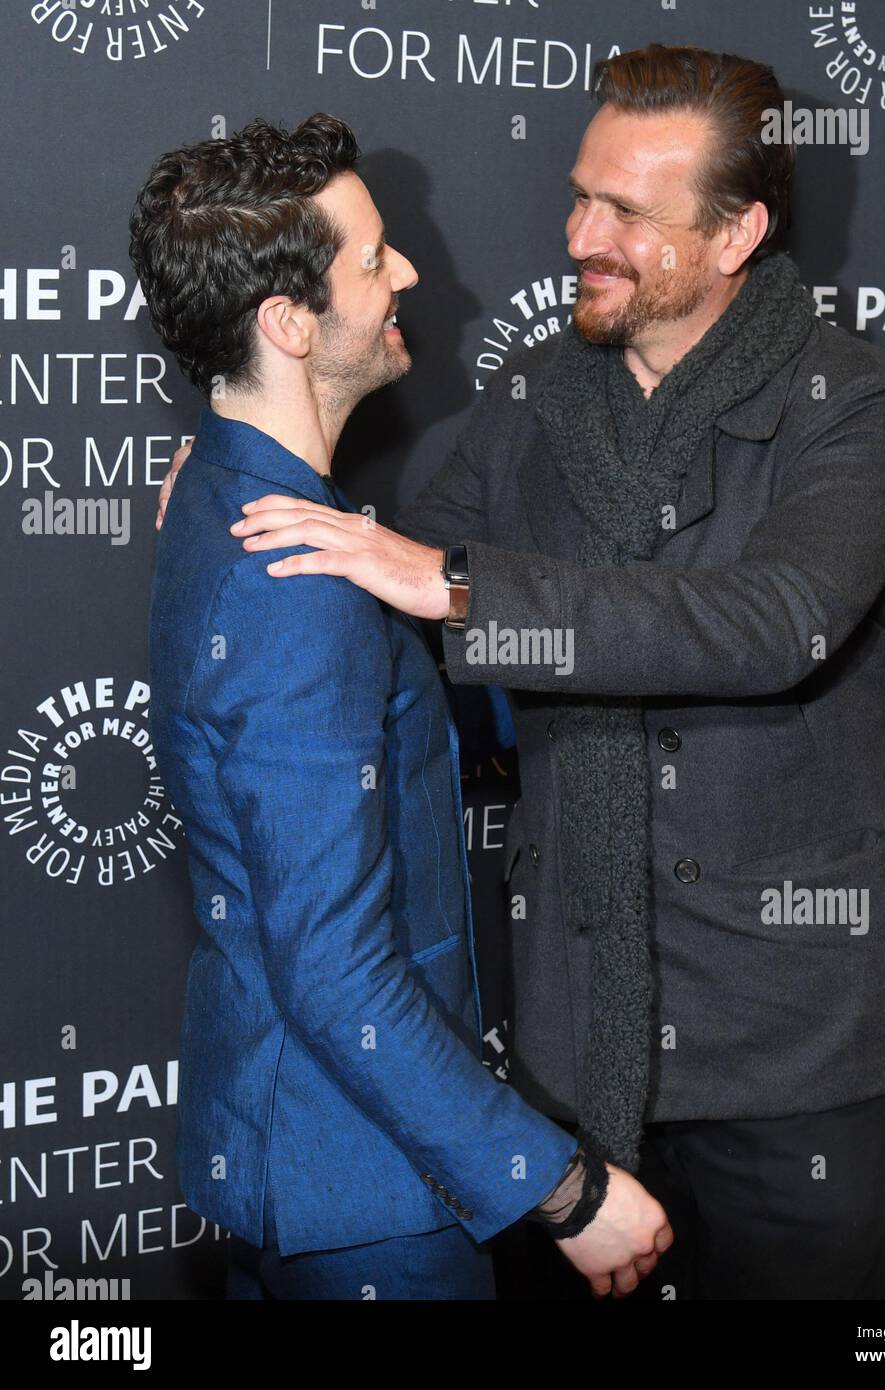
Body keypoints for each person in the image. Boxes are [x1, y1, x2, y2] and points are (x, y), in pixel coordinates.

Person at [160, 43, 885, 1300]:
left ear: (737, 231)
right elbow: (384, 580)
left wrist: (462, 584)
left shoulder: (855, 403)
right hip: (573, 1052)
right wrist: (233, 501)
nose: (582, 231)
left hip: (792, 1045)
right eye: (582, 192)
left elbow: (775, 620)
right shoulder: (534, 395)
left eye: (629, 212)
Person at [131, 112, 671, 1301]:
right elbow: (333, 968)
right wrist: (562, 1190)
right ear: (287, 323)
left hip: (297, 1153)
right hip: (363, 1185)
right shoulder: (292, 578)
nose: (408, 273)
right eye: (372, 259)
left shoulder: (222, 491)